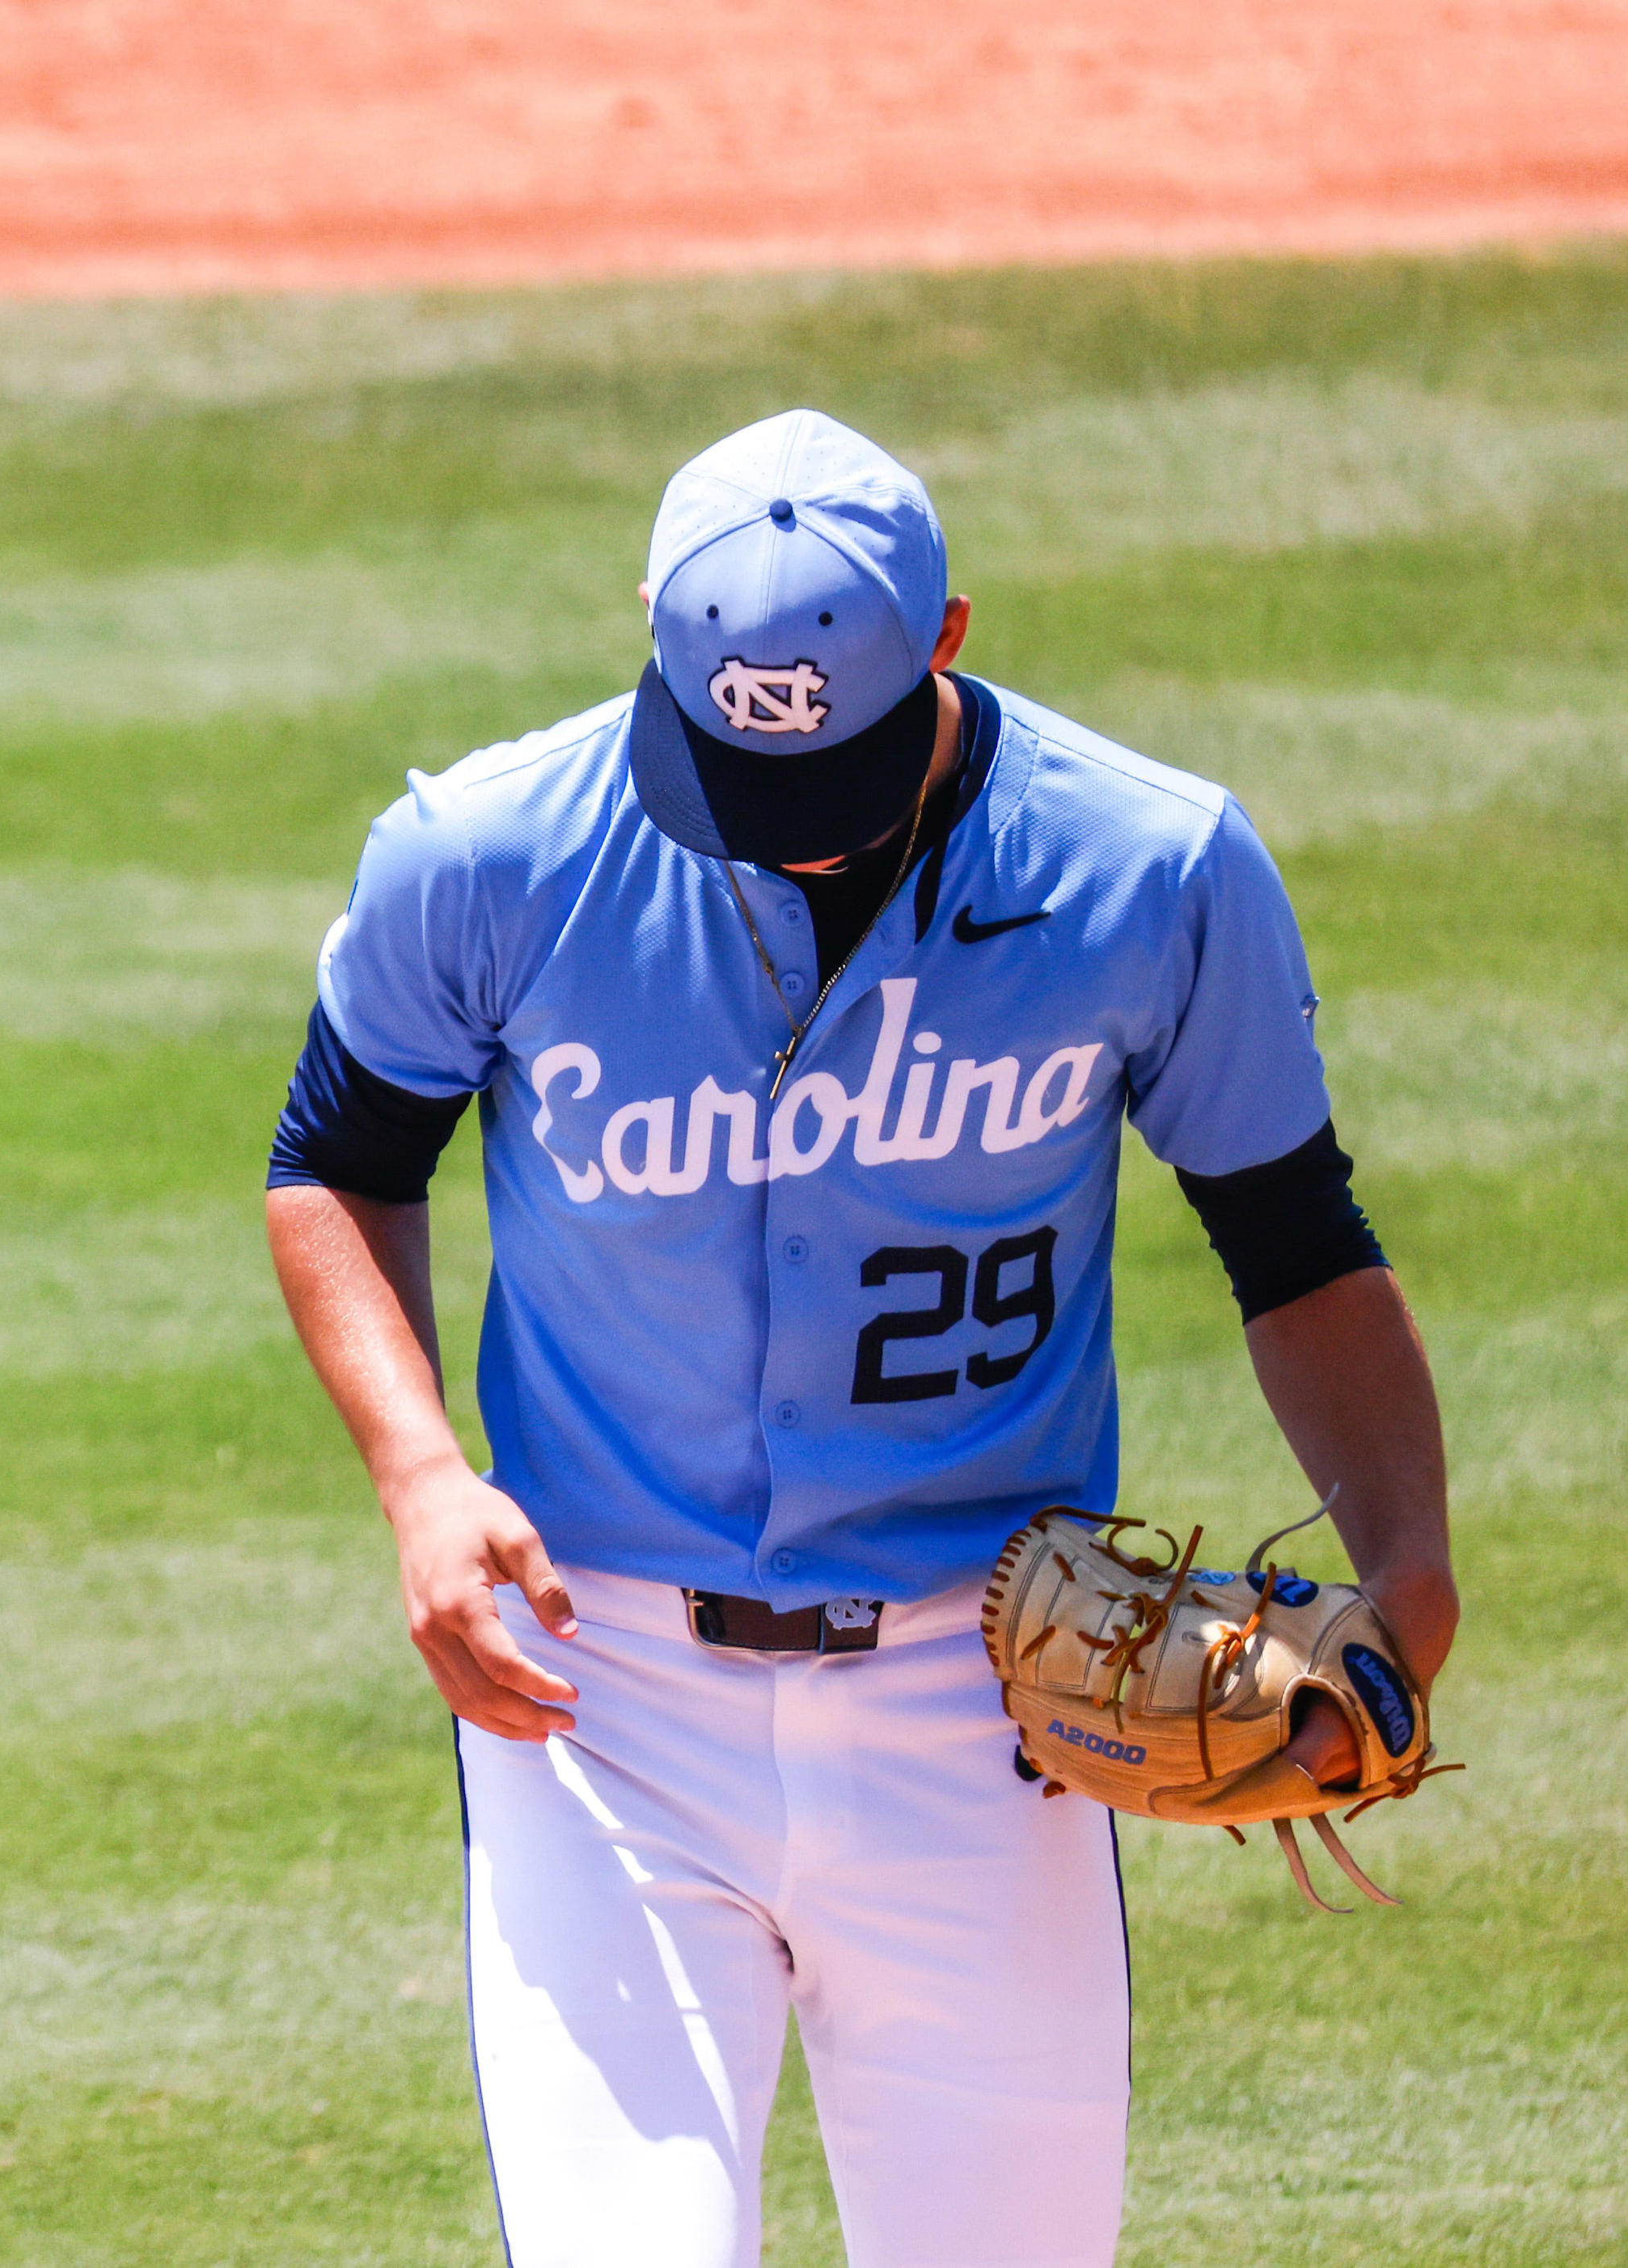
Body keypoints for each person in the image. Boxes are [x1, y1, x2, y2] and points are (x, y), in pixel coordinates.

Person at [262, 410, 1455, 2268]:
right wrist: (419, 1475)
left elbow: (1295, 1240)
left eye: (842, 782)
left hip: (987, 1718)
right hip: (604, 1709)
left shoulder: (1150, 867)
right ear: (650, 630)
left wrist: (1408, 1561)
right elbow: (334, 1160)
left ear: (949, 639)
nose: (800, 846)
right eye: (745, 775)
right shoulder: (484, 857)